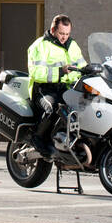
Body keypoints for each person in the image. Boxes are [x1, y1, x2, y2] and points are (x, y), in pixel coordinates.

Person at [27, 14, 86, 154]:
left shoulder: (73, 45)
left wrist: (89, 71)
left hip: (66, 88)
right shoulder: (40, 45)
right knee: (54, 108)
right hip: (43, 89)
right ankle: (38, 137)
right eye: (61, 33)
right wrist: (60, 71)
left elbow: (82, 66)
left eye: (67, 33)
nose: (64, 37)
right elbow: (36, 72)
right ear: (53, 30)